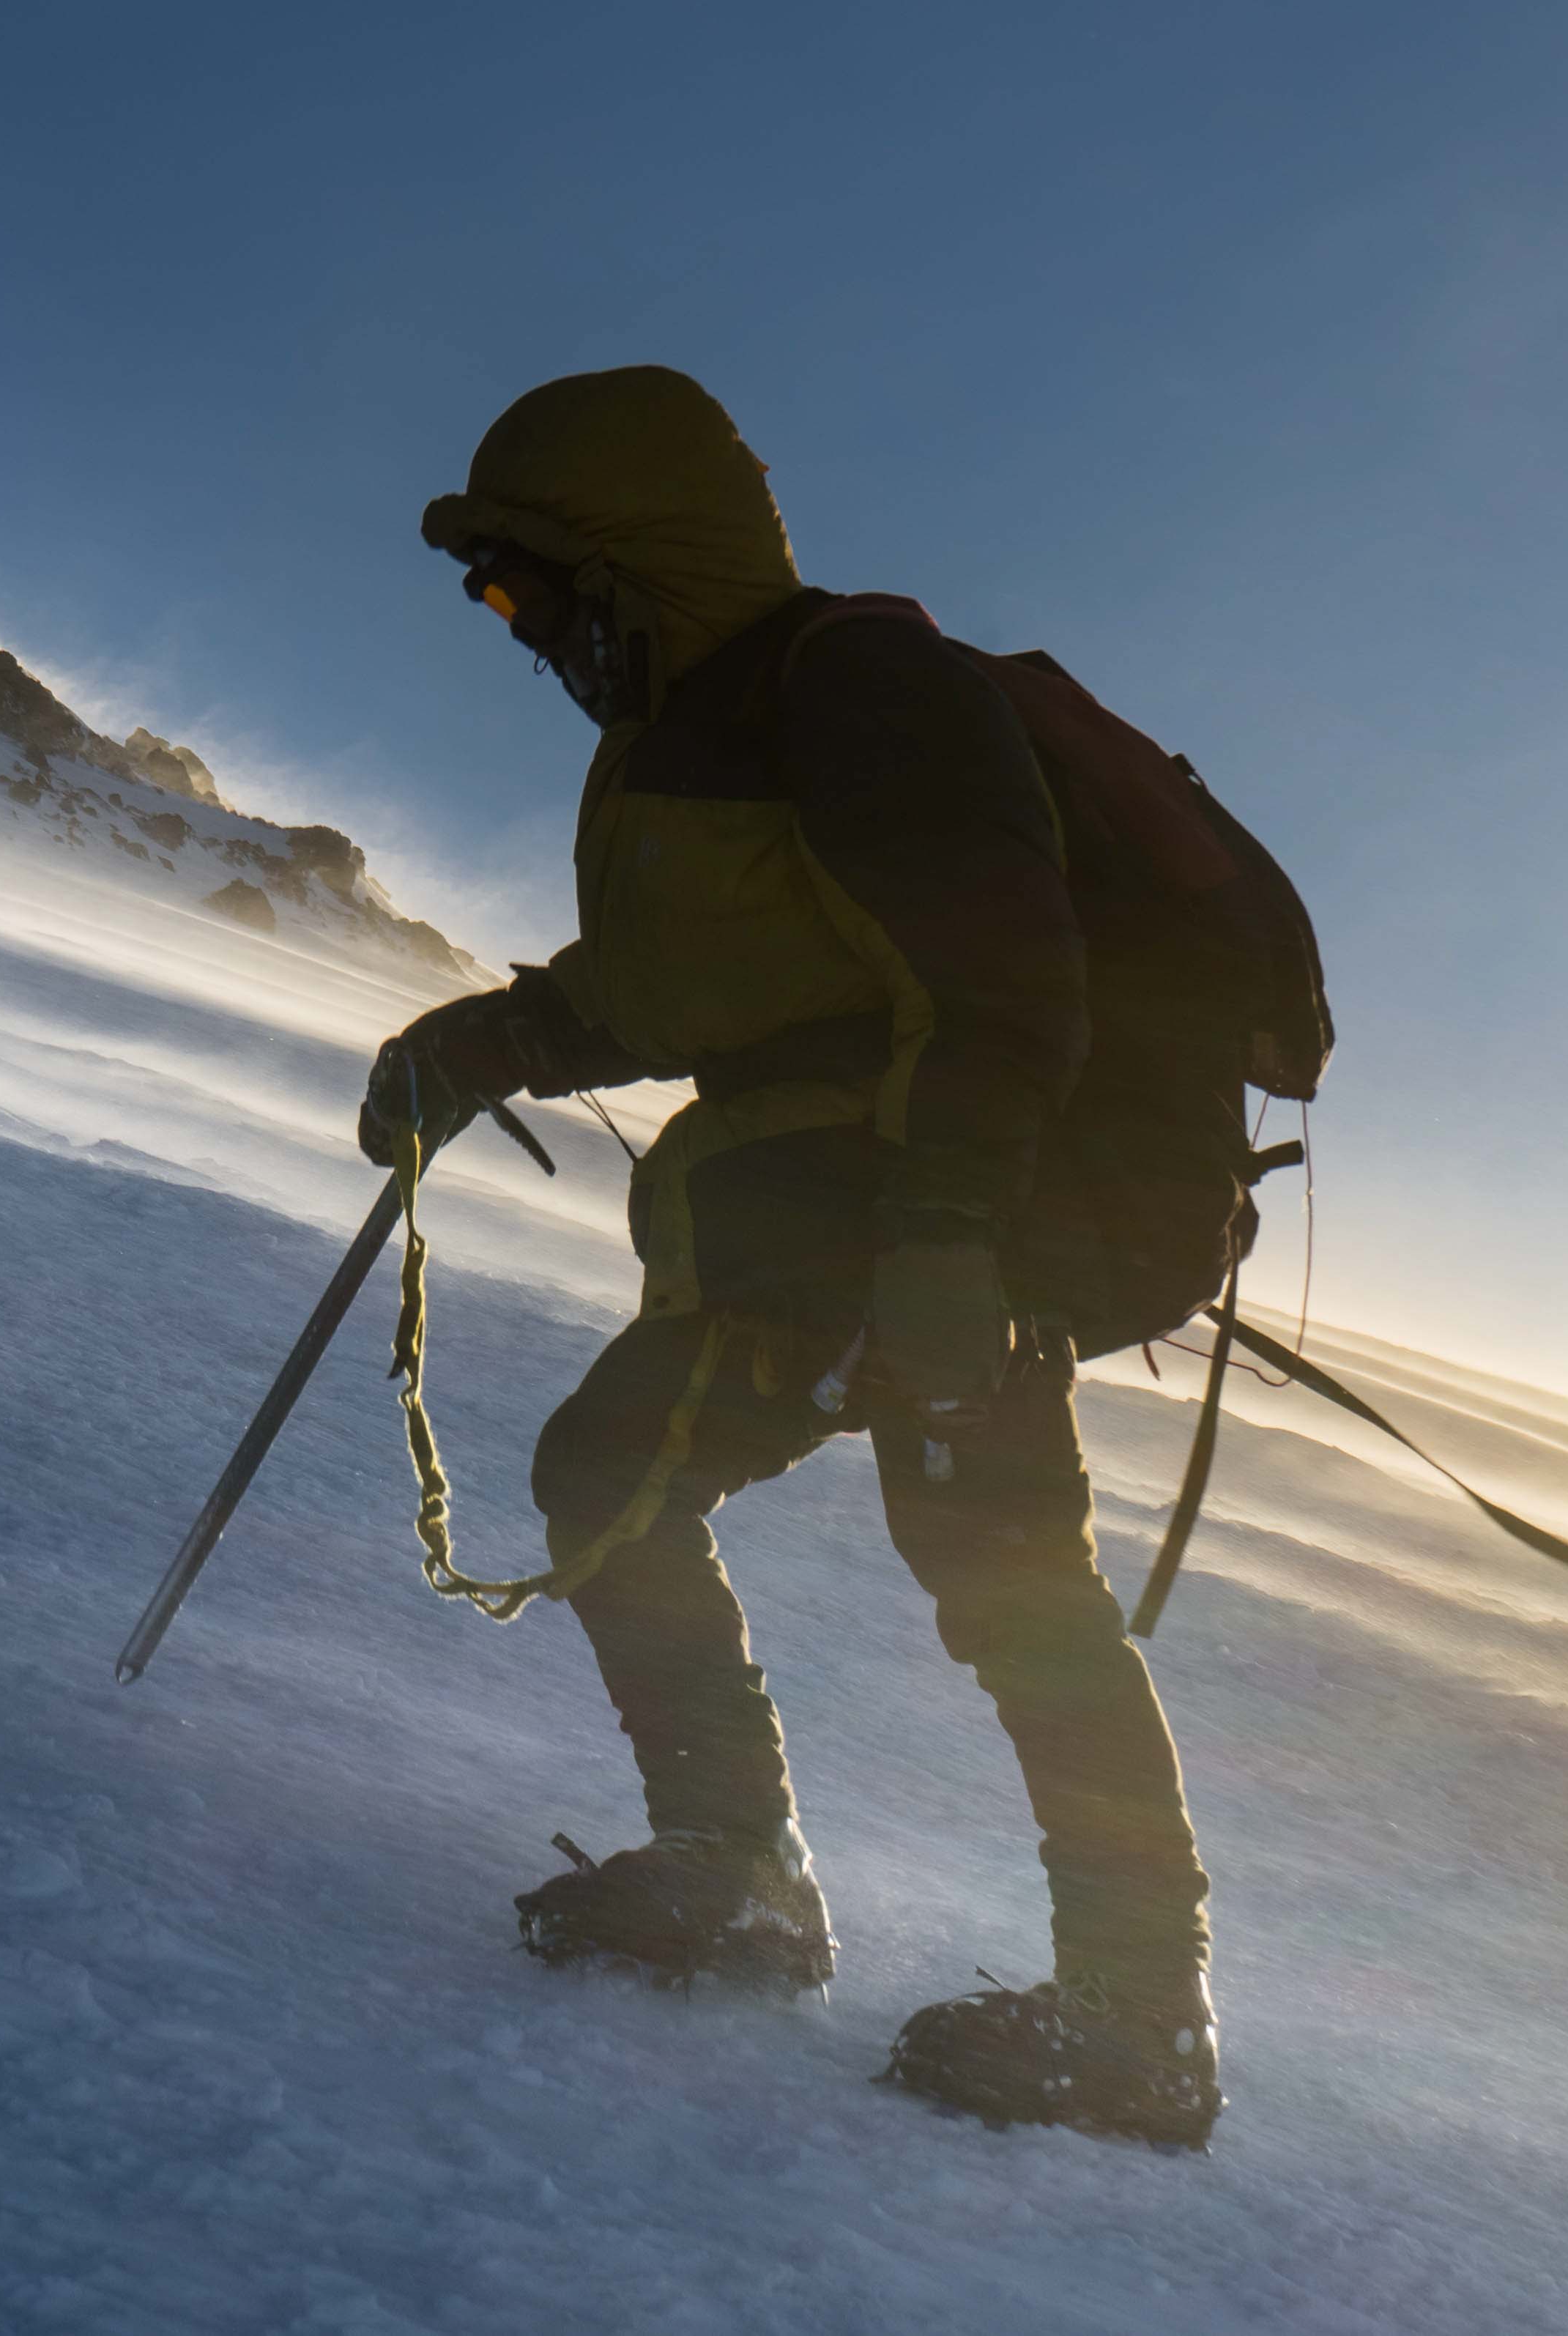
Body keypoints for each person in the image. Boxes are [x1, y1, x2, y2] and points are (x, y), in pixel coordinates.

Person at [356, 366, 1221, 2147]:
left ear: (633, 556)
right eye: (496, 602)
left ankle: (1141, 2022)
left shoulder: (865, 692)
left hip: (948, 1223)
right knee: (611, 1465)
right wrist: (492, 1040)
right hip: (818, 1225)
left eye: (530, 590)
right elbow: (701, 984)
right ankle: (739, 1871)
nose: (522, 636)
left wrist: (951, 1244)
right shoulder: (686, 742)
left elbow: (1001, 985)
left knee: (1000, 1577)